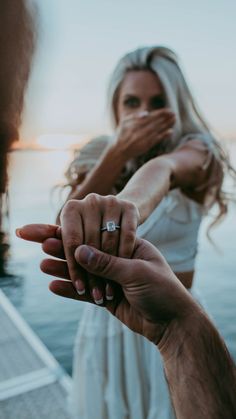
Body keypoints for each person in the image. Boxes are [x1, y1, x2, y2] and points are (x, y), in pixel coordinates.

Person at [53, 46, 234, 418]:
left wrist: (129, 205)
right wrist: (117, 152)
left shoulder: (197, 150)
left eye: (158, 101)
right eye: (132, 102)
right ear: (116, 107)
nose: (144, 114)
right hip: (107, 327)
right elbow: (62, 229)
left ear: (177, 104)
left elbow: (164, 169)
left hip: (170, 319)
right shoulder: (100, 154)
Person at [15, 223, 236, 419]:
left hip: (166, 301)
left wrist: (119, 214)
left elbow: (150, 186)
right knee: (110, 401)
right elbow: (66, 226)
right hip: (109, 308)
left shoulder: (187, 173)